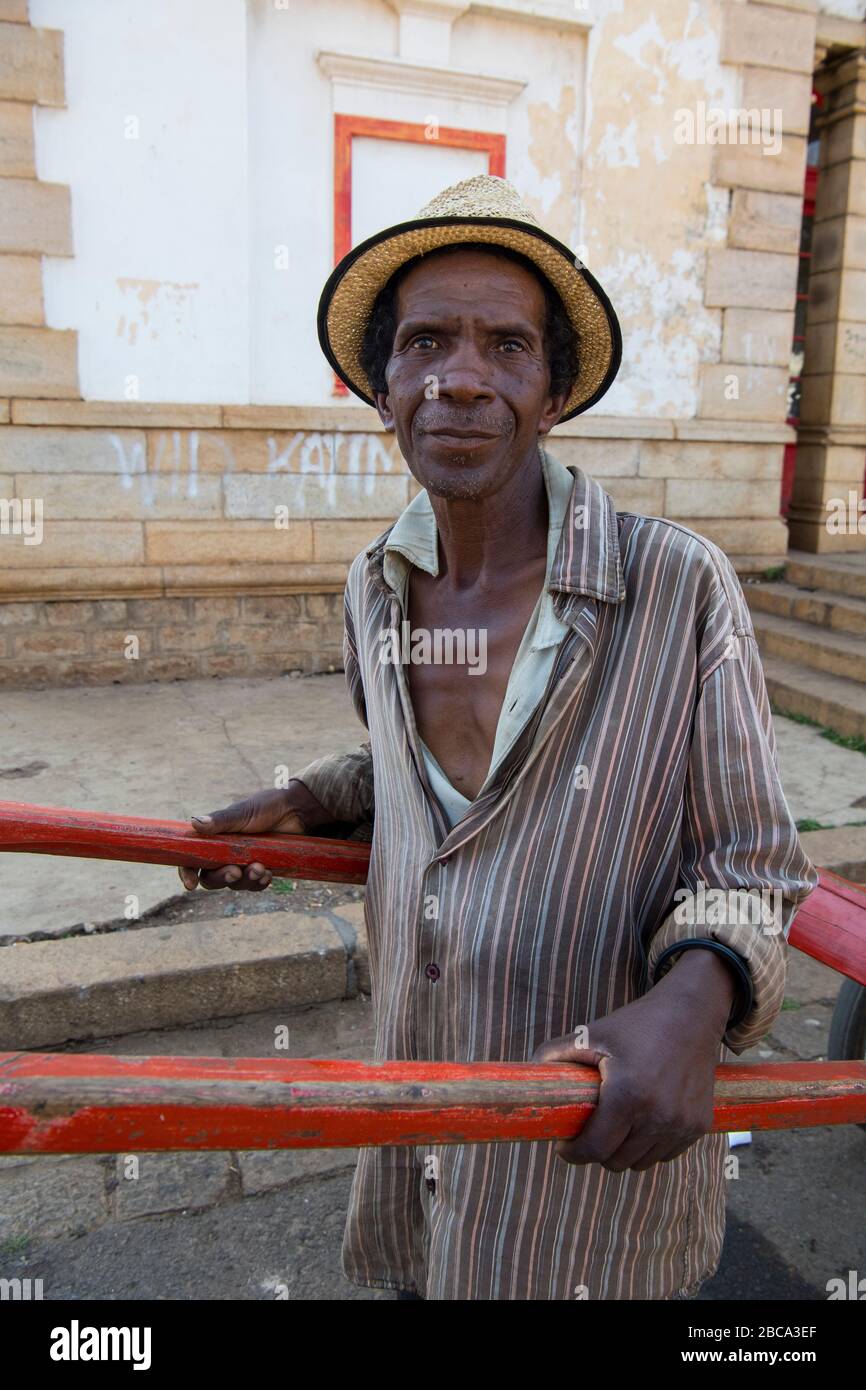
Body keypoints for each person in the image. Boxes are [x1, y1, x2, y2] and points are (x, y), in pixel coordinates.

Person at [179, 174, 818, 1301]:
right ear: (381, 389)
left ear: (551, 389)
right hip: (423, 1137)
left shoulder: (672, 586)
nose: (459, 378)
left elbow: (749, 865)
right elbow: (439, 779)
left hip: (590, 1167)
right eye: (425, 342)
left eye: (504, 347)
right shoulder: (373, 591)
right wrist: (322, 792)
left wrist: (692, 1000)